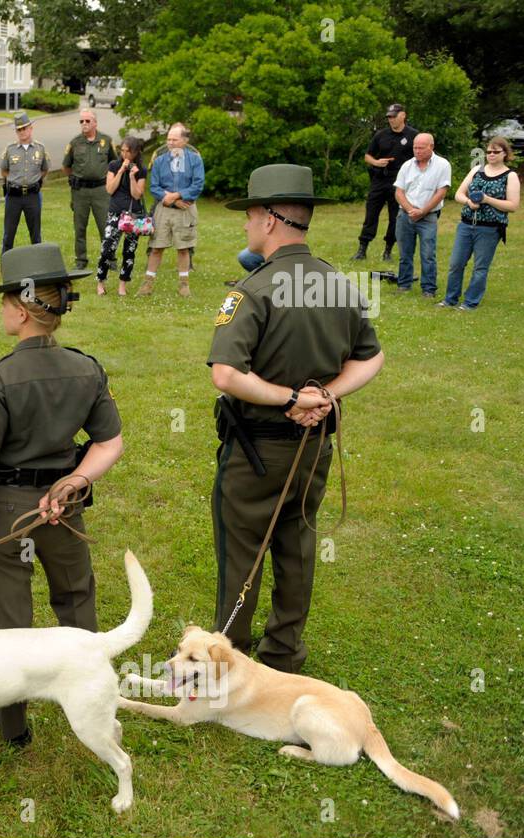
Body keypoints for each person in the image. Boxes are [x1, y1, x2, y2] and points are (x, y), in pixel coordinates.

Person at [0, 242, 124, 747]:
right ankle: (89, 697)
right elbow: (110, 443)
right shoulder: (87, 368)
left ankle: (14, 728)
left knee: (6, 622)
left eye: (3, 301)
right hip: (63, 510)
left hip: (6, 511)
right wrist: (72, 482)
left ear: (20, 311)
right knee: (76, 601)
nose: (1, 310)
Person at [209, 164, 384, 672]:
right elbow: (371, 356)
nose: (245, 225)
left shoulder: (251, 290)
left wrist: (292, 397)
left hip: (257, 451)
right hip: (313, 449)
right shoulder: (337, 283)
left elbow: (226, 374)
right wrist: (324, 395)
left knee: (242, 548)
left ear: (267, 219)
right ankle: (284, 652)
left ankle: (228, 658)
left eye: (248, 215)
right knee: (298, 541)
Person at [441, 136, 519, 310]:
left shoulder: (510, 176)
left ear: (505, 154)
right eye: (489, 151)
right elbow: (458, 194)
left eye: (495, 152)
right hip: (466, 224)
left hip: (490, 228)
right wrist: (469, 202)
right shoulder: (477, 169)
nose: (491, 155)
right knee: (456, 263)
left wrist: (487, 199)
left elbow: (513, 205)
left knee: (480, 268)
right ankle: (450, 299)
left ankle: (470, 302)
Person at [137, 123, 204, 298]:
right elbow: (154, 187)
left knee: (183, 248)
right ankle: (147, 284)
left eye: (174, 139)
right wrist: (173, 201)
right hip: (164, 209)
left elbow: (197, 185)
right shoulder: (159, 161)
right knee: (156, 247)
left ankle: (184, 286)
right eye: (168, 140)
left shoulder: (195, 160)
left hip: (186, 209)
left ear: (184, 141)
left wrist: (177, 195)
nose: (170, 143)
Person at [352, 104, 417, 261]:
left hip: (401, 183)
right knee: (371, 215)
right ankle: (362, 249)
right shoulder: (381, 135)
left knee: (395, 217)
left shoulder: (413, 135)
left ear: (403, 115)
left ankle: (388, 251)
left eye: (394, 116)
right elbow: (368, 156)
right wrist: (376, 162)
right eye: (389, 117)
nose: (391, 119)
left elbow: (420, 157)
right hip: (380, 179)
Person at [393, 133, 451, 297]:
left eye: (421, 148)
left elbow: (441, 192)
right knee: (405, 253)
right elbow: (399, 192)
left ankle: (429, 289)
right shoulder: (407, 165)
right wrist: (411, 210)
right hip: (405, 215)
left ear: (431, 147)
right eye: (415, 147)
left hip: (428, 217)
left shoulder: (443, 165)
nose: (417, 151)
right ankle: (404, 285)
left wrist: (422, 211)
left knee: (428, 254)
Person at [63, 109, 117, 269]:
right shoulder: (75, 143)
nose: (84, 124)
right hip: (81, 192)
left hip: (101, 191)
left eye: (87, 121)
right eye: (81, 121)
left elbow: (114, 164)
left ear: (95, 123)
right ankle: (81, 260)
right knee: (79, 226)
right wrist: (75, 177)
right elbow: (66, 166)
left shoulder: (106, 141)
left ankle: (110, 259)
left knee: (106, 226)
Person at [96, 135, 146, 296]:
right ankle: (100, 282)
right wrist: (121, 171)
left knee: (129, 251)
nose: (124, 154)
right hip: (115, 213)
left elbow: (137, 195)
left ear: (136, 152)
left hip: (133, 215)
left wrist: (132, 176)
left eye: (128, 151)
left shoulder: (141, 170)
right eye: (122, 151)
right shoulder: (113, 165)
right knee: (107, 248)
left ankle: (122, 285)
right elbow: (110, 189)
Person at [0, 113, 50, 251]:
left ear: (31, 128)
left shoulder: (40, 148)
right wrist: (14, 180)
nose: (22, 132)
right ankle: (6, 262)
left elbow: (44, 169)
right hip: (13, 196)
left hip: (32, 196)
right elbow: (4, 170)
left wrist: (34, 180)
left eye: (24, 128)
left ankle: (38, 263)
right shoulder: (10, 149)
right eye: (19, 129)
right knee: (9, 233)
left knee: (35, 234)